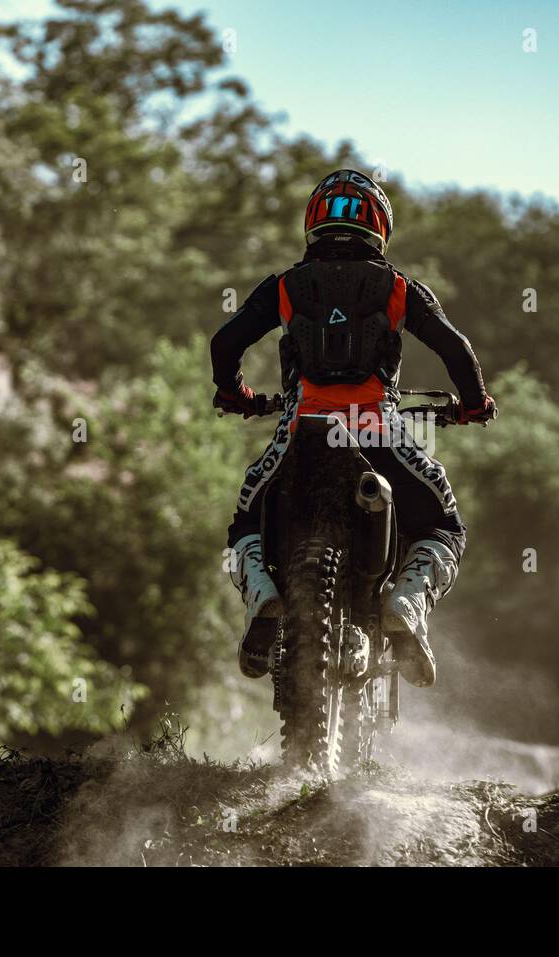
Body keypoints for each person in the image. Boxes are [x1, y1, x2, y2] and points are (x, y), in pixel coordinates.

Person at [210, 169, 495, 688]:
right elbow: (456, 349)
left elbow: (225, 344)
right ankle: (406, 605)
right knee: (443, 526)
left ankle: (264, 602)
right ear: (379, 226)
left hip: (299, 434)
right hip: (377, 432)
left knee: (244, 526)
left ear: (312, 223)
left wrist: (236, 396)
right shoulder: (400, 289)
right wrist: (473, 404)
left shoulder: (283, 288)